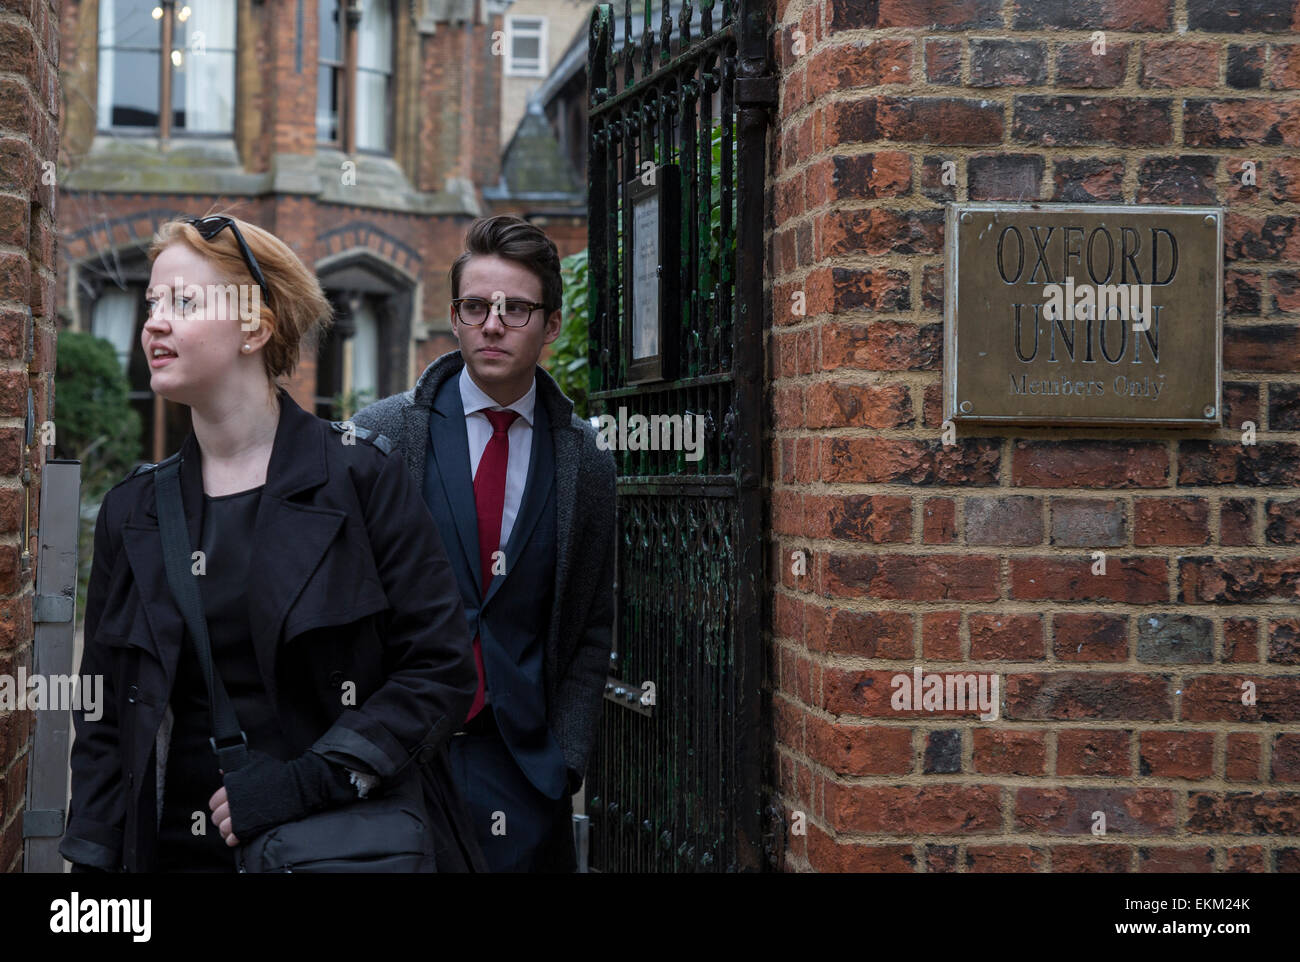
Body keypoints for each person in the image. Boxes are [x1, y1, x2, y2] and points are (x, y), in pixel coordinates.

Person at [59, 212, 485, 872]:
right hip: (170, 855)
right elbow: (106, 722)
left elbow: (440, 671)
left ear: (255, 327)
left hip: (337, 850)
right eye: (151, 303)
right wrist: (91, 871)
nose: (153, 322)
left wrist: (308, 781)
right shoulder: (133, 512)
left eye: (184, 302)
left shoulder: (361, 480)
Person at [353, 215, 616, 872]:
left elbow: (590, 628)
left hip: (524, 772)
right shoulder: (382, 437)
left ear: (551, 325)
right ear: (454, 315)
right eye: (476, 306)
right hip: (398, 764)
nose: (492, 324)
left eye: (516, 309)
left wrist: (566, 760)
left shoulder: (583, 461)